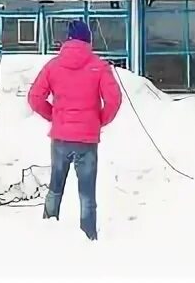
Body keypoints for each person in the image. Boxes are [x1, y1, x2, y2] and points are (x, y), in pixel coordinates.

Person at [27, 20, 122, 241]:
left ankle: (48, 228)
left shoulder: (53, 66)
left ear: (67, 40)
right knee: (87, 192)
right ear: (88, 40)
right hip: (87, 140)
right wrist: (98, 121)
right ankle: (88, 236)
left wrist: (54, 116)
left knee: (55, 187)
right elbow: (114, 99)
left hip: (60, 137)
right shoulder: (99, 66)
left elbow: (35, 97)